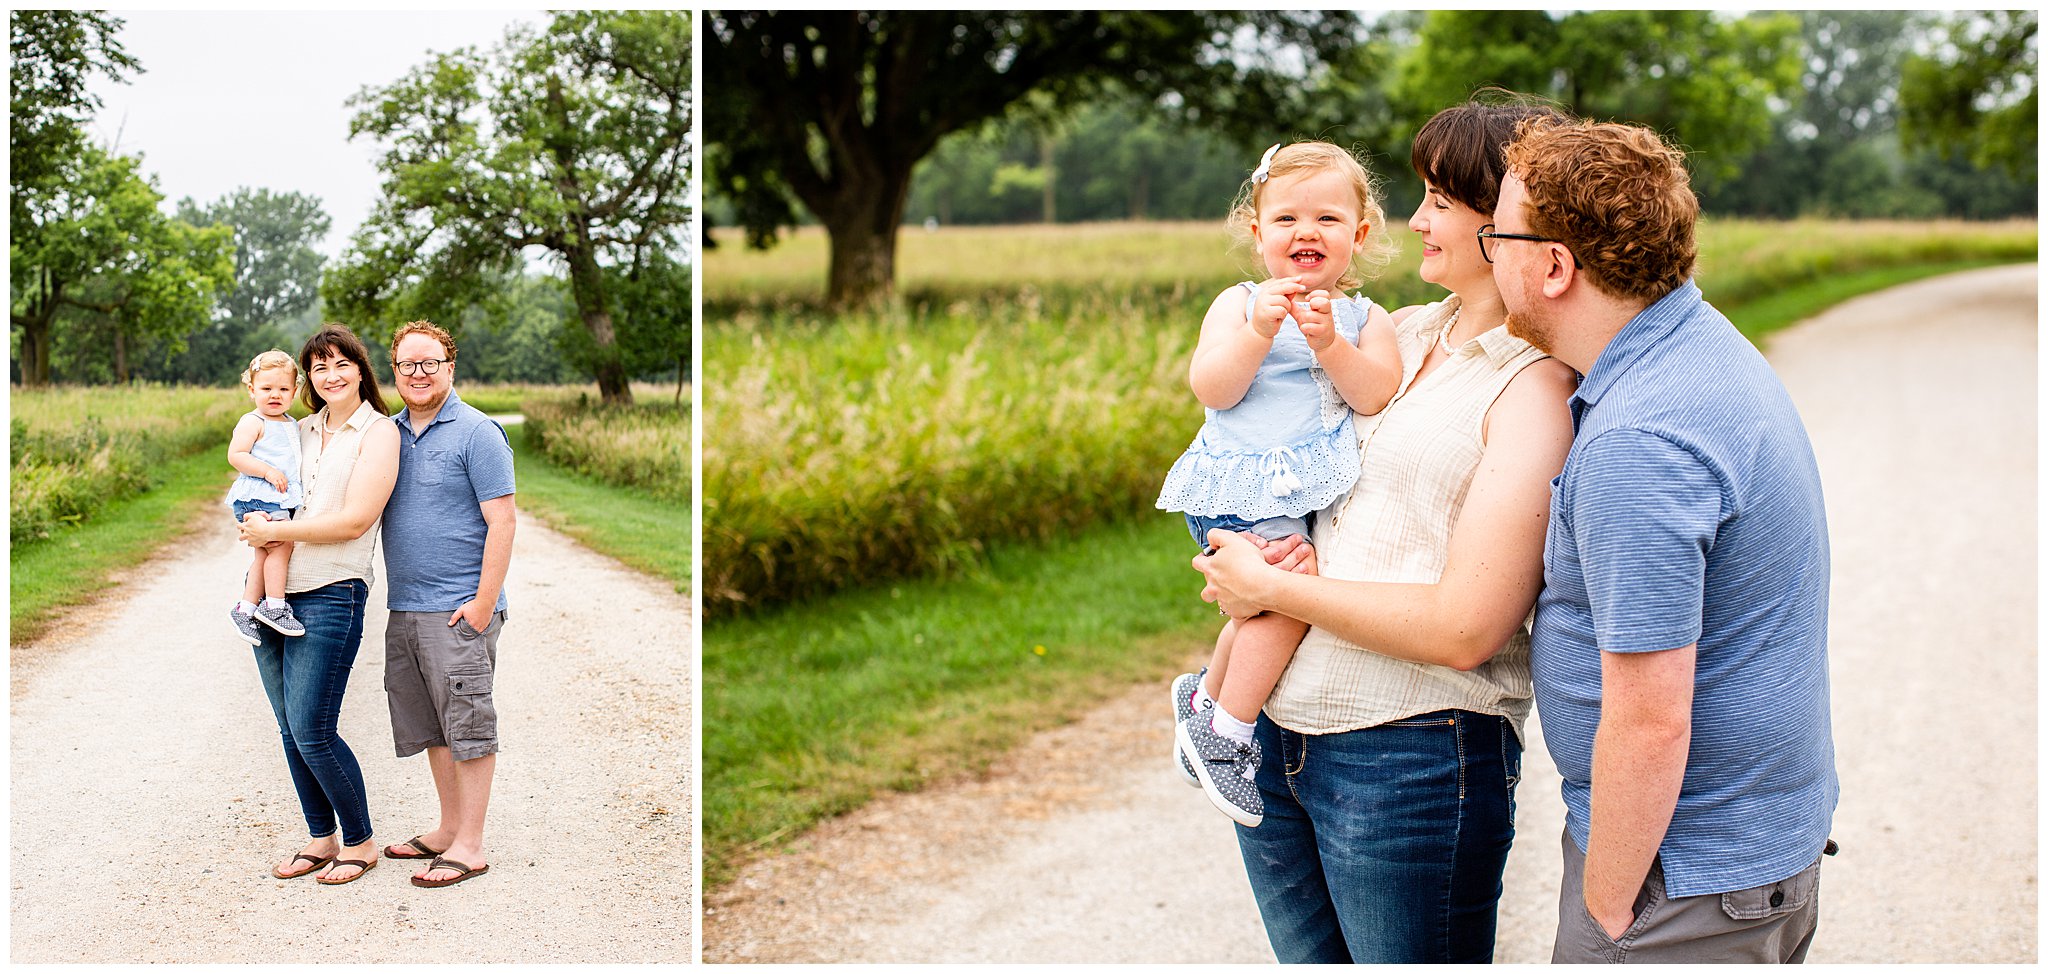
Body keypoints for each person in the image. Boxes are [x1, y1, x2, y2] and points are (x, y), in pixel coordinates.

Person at [1192, 98, 1579, 962]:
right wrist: (1247, 551)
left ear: (1509, 218)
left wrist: (1279, 588)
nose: (1414, 221)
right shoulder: (1397, 331)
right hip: (1280, 733)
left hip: (1409, 753)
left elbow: (1469, 628)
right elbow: (1270, 442)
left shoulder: (1536, 387)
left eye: (1440, 200)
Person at [1487, 116, 1836, 963]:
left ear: (1555, 265)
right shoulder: (1694, 346)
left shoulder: (1640, 442)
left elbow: (1649, 723)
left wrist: (1611, 910)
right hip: (1739, 855)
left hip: (1684, 881)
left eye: (1497, 234)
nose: (1487, 252)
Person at [1156, 140, 1404, 827]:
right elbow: (1212, 387)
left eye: (1327, 219)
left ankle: (1206, 697)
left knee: (1265, 607)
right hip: (1237, 486)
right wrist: (1259, 333)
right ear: (1258, 231)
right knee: (1293, 601)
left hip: (1290, 495)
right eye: (1288, 219)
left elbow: (1374, 395)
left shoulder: (1364, 320)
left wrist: (1331, 345)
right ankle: (1227, 736)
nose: (1306, 232)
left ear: (1357, 236)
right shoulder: (1237, 304)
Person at [236, 324, 401, 885]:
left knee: (312, 727)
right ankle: (320, 836)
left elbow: (356, 520)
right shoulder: (295, 428)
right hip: (274, 592)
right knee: (287, 727)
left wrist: (275, 530)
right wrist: (254, 523)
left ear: (361, 369)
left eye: (342, 365)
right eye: (320, 367)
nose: (331, 376)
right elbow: (259, 486)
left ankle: (360, 839)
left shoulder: (378, 433)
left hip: (333, 588)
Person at [375, 320, 517, 889]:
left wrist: (483, 605)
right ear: (395, 371)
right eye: (407, 364)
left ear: (450, 368)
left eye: (429, 362)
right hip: (405, 606)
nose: (418, 373)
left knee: (468, 723)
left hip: (459, 610)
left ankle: (472, 845)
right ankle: (447, 827)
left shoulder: (479, 433)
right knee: (433, 725)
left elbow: (502, 522)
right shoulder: (387, 434)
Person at [226, 349, 307, 644]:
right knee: (282, 545)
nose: (275, 395)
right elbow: (236, 455)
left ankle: (246, 609)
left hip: (274, 497)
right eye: (266, 388)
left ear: (294, 390)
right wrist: (267, 472)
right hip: (260, 494)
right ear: (251, 390)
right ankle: (274, 605)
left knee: (265, 550)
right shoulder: (253, 421)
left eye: (283, 389)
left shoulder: (289, 422)